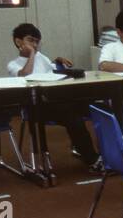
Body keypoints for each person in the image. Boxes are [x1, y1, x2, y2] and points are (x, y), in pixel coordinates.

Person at [8, 23, 97, 167]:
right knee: (73, 117)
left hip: (56, 102)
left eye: (37, 42)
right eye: (30, 40)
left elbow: (53, 72)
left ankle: (108, 154)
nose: (35, 45)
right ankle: (92, 159)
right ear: (18, 42)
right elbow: (25, 74)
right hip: (37, 107)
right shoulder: (13, 64)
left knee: (96, 108)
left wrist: (58, 60)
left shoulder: (41, 57)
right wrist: (31, 54)